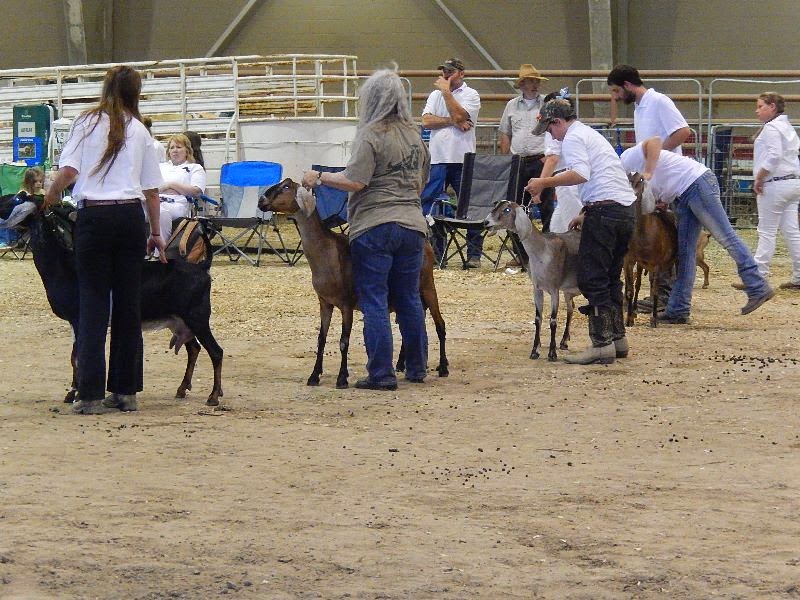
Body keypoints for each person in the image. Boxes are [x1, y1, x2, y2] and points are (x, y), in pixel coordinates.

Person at [43, 65, 165, 415]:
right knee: (129, 306)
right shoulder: (141, 130)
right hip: (130, 218)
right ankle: (126, 392)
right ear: (135, 92)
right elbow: (152, 192)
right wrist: (156, 233)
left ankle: (90, 394)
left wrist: (49, 197)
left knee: (93, 305)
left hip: (94, 218)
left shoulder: (85, 123)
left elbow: (68, 172)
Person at [302, 67, 431, 390]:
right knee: (409, 299)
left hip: (374, 226)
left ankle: (381, 373)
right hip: (413, 225)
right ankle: (416, 368)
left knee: (374, 298)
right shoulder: (415, 135)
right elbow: (421, 183)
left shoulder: (371, 134)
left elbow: (356, 181)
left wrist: (320, 176)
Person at [525, 98, 635, 365]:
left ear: (557, 122)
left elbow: (581, 174)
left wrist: (543, 182)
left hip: (605, 213)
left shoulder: (573, 138)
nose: (551, 136)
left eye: (550, 130)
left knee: (592, 277)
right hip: (623, 211)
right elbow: (608, 176)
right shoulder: (590, 134)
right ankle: (618, 340)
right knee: (610, 276)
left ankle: (601, 344)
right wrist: (586, 212)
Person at [621, 136, 774, 323]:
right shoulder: (625, 184)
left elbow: (654, 141)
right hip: (681, 196)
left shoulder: (625, 161)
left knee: (726, 236)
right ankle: (678, 309)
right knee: (686, 253)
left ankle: (757, 285)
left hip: (696, 183)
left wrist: (649, 172)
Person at [607, 63, 692, 310]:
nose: (615, 97)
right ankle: (660, 293)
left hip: (669, 179)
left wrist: (657, 155)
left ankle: (666, 294)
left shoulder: (659, 102)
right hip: (653, 182)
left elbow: (683, 131)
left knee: (667, 237)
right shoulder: (639, 108)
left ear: (627, 85)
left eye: (615, 91)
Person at [420, 58, 481, 268]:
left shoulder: (471, 94)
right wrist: (452, 121)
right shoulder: (434, 95)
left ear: (461, 74)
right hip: (437, 158)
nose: (446, 75)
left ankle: (474, 255)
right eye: (444, 71)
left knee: (470, 205)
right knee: (429, 203)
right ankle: (435, 254)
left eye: (450, 71)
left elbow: (463, 114)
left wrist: (446, 93)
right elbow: (426, 121)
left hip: (463, 158)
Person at [748, 91, 800, 289]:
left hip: (775, 183)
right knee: (792, 232)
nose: (757, 110)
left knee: (766, 231)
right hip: (793, 182)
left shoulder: (771, 128)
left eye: (760, 106)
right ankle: (799, 275)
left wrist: (759, 177)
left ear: (772, 107)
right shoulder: (787, 126)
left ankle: (758, 276)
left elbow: (774, 156)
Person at [498, 64, 555, 231]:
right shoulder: (511, 105)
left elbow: (555, 130)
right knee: (517, 205)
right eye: (530, 81)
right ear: (522, 84)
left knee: (546, 205)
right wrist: (507, 160)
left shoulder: (547, 103)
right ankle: (520, 250)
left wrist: (549, 155)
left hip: (541, 159)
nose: (535, 85)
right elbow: (505, 133)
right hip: (518, 161)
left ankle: (549, 243)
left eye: (536, 81)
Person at [156, 133, 207, 240]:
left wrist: (171, 185)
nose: (175, 150)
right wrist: (178, 188)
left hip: (177, 204)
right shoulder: (160, 167)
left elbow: (196, 191)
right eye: (172, 147)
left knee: (161, 212)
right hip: (154, 201)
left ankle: (159, 253)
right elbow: (151, 188)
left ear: (187, 150)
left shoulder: (195, 168)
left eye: (179, 147)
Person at [0, 167, 45, 248]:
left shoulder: (43, 193)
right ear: (28, 182)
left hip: (34, 223)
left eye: (40, 181)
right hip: (12, 221)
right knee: (30, 206)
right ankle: (8, 240)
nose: (39, 184)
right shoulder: (23, 194)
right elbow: (9, 213)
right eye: (35, 181)